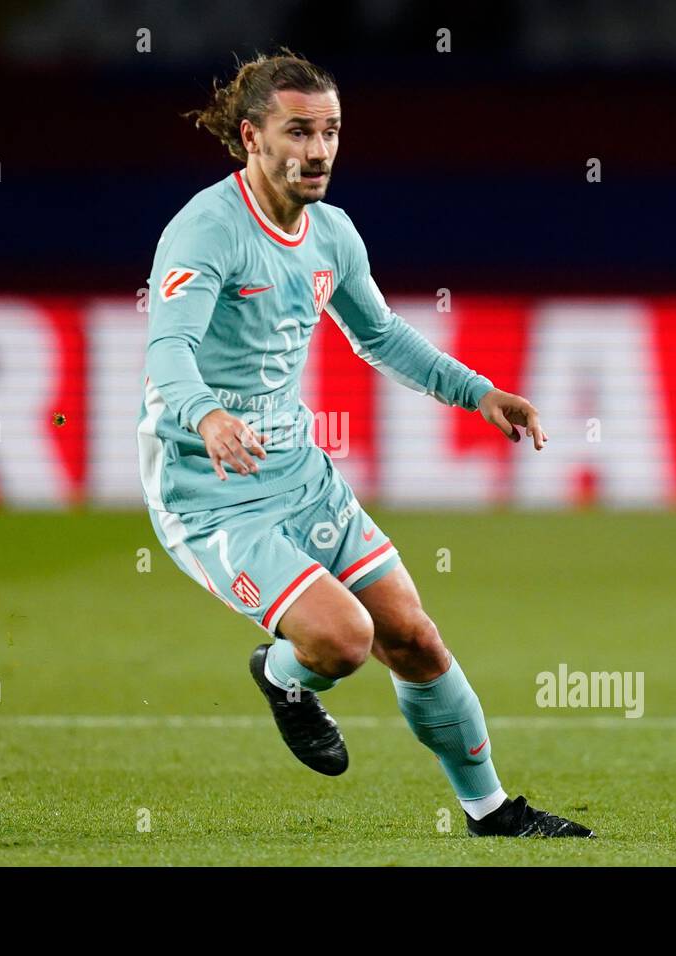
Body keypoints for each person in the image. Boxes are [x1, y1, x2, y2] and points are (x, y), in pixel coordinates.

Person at [137, 50, 593, 838]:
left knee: (413, 638)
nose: (318, 151)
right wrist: (208, 416)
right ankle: (283, 679)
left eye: (332, 131)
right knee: (344, 639)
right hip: (208, 490)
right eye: (298, 131)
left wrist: (477, 392)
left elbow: (378, 334)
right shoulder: (206, 231)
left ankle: (490, 812)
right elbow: (167, 351)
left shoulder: (333, 235)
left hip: (299, 477)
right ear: (252, 136)